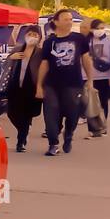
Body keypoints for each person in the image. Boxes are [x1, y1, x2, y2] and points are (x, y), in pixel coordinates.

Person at [36, 8, 94, 155]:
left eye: (70, 19)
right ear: (56, 22)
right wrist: (39, 86)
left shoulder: (79, 39)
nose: (69, 22)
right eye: (66, 19)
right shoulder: (50, 42)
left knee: (72, 114)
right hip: (51, 85)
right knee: (50, 114)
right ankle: (53, 144)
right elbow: (44, 64)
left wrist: (90, 80)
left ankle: (68, 135)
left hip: (73, 84)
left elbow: (86, 59)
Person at [4, 24, 44, 153]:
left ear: (39, 38)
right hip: (15, 86)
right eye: (30, 34)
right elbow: (5, 65)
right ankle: (24, 129)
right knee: (11, 114)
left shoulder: (40, 53)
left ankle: (21, 141)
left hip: (31, 87)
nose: (32, 37)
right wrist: (11, 57)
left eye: (35, 35)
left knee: (27, 115)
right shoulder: (17, 49)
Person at [84, 18, 110, 136]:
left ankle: (102, 127)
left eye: (102, 28)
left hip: (104, 76)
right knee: (90, 103)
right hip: (89, 77)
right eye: (97, 28)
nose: (99, 31)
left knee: (103, 103)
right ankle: (93, 129)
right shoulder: (87, 41)